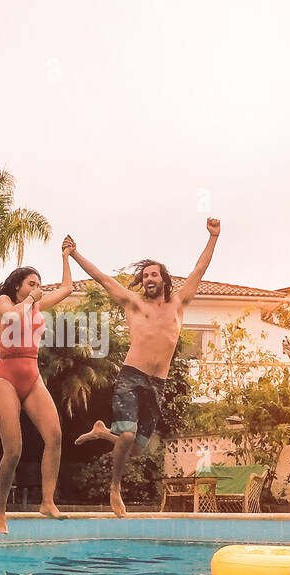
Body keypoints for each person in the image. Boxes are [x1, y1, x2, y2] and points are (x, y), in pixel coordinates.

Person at [67, 217, 221, 516]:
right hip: (131, 377)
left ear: (164, 279)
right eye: (145, 275)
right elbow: (103, 279)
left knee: (138, 446)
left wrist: (213, 236)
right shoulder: (133, 303)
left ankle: (101, 432)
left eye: (154, 275)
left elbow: (199, 270)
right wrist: (75, 254)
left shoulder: (178, 304)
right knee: (126, 436)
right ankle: (114, 488)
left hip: (157, 383)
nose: (149, 279)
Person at [0, 239, 75, 533]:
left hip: (31, 374)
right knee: (13, 449)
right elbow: (13, 318)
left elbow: (67, 289)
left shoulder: (36, 304)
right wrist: (29, 301)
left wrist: (66, 256)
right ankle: (0, 511)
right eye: (31, 283)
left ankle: (47, 502)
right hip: (6, 376)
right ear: (18, 286)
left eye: (38, 283)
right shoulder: (5, 302)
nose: (37, 288)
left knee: (55, 436)